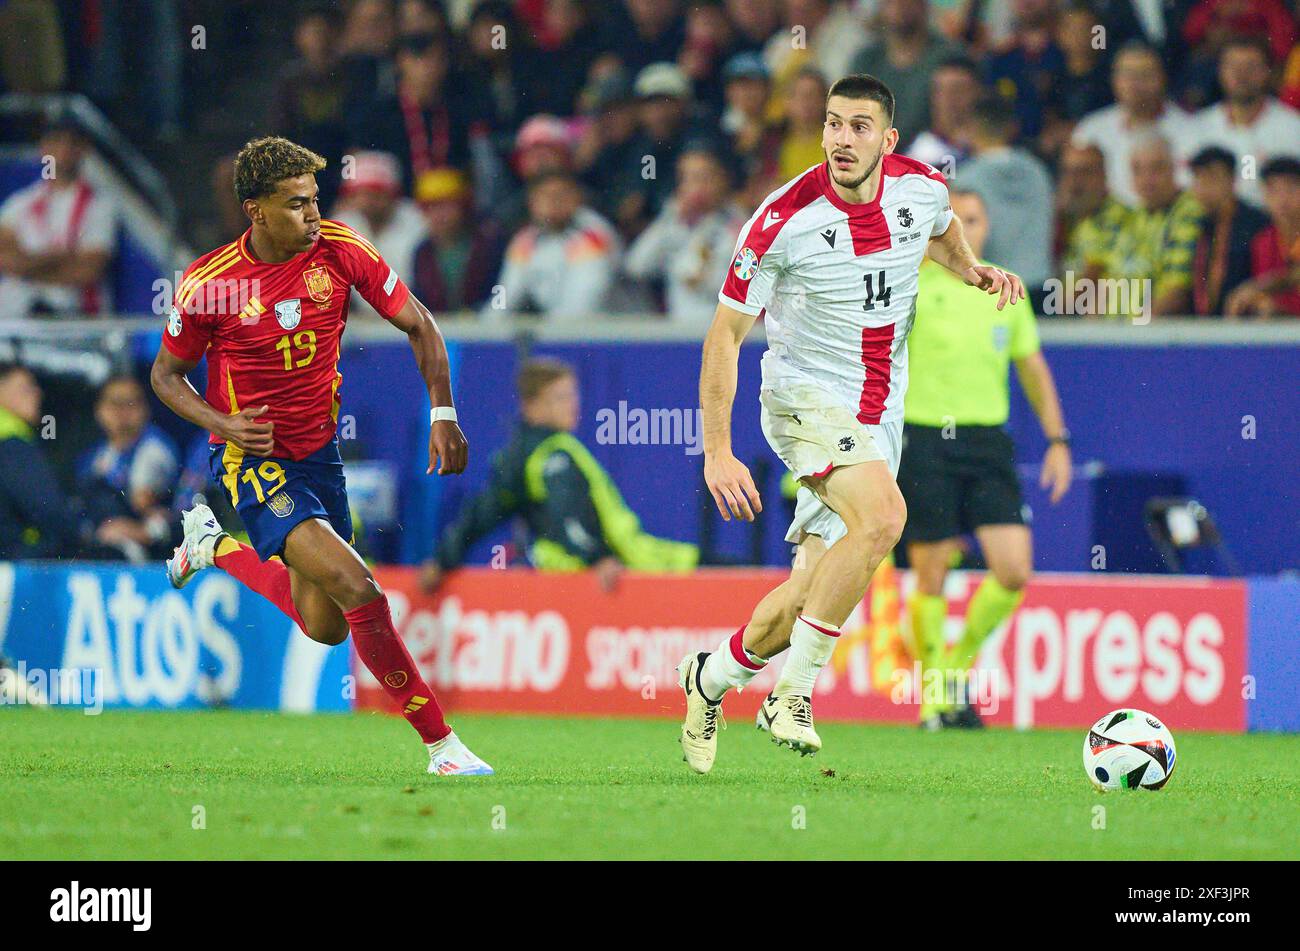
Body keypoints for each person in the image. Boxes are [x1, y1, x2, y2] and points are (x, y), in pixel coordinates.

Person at [684, 73, 1024, 773]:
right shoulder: (780, 220)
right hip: (802, 397)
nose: (841, 138)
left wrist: (970, 267)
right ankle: (794, 693)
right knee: (885, 517)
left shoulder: (923, 187)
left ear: (887, 139)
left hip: (879, 415)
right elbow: (723, 337)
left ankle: (709, 678)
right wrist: (716, 449)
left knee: (806, 593)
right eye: (833, 124)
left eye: (859, 126)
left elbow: (942, 228)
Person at [150, 137, 491, 776]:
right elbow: (166, 376)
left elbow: (419, 323)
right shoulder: (211, 284)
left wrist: (443, 413)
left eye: (314, 201)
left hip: (321, 455)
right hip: (255, 462)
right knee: (360, 587)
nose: (312, 216)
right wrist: (223, 423)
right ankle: (442, 746)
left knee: (327, 627)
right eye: (296, 205)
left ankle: (213, 548)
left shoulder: (338, 250)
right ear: (255, 211)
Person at [900, 189, 1071, 729]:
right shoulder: (908, 286)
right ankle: (934, 699)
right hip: (924, 439)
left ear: (986, 225)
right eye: (954, 220)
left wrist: (1057, 440)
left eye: (973, 219)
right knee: (931, 570)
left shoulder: (1005, 287)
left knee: (1014, 570)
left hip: (987, 443)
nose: (964, 229)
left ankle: (952, 671)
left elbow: (1032, 366)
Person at [420, 358, 700, 594]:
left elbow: (481, 514)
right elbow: (567, 513)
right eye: (560, 397)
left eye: (573, 394)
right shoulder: (553, 455)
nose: (573, 404)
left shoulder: (519, 456)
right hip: (628, 569)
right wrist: (598, 559)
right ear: (532, 406)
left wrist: (443, 560)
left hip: (611, 566)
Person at [0, 117, 116, 318]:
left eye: (72, 143)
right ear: (43, 148)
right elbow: (6, 260)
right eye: (56, 141)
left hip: (72, 319)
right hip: (16, 317)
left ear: (83, 150)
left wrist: (27, 265)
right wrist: (60, 257)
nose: (63, 150)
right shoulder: (19, 203)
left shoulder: (100, 206)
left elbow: (87, 270)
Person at [624, 144, 745, 328]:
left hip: (725, 334)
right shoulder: (673, 222)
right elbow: (637, 266)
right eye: (688, 178)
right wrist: (669, 217)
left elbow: (742, 287)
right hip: (678, 332)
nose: (697, 187)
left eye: (705, 177)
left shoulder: (740, 225)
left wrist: (699, 277)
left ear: (723, 180)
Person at [954, 91, 1054, 297]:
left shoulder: (965, 180)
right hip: (1040, 286)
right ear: (1011, 127)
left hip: (995, 286)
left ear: (971, 127)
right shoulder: (1039, 172)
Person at [1070, 41, 1192, 206]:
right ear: (1114, 79)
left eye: (1145, 75)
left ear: (1162, 78)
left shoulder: (1190, 128)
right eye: (1128, 75)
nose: (1135, 84)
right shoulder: (1091, 130)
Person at [487, 170, 620, 319]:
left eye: (561, 195)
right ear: (532, 202)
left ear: (577, 198)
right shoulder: (525, 240)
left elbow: (583, 303)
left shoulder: (593, 235)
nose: (552, 202)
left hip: (616, 332)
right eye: (544, 196)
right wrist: (486, 327)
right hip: (558, 329)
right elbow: (506, 294)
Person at [1186, 36, 1300, 209]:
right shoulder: (1198, 128)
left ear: (1267, 71)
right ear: (1220, 71)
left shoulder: (1293, 127)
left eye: (1251, 67)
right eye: (1233, 66)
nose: (1241, 74)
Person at [76, 375, 181, 562]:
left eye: (131, 403)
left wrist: (132, 530)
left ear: (145, 410)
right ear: (99, 410)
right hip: (103, 539)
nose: (122, 412)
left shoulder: (155, 449)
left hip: (154, 548)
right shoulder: (93, 455)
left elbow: (142, 501)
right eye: (115, 403)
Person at [0, 362, 75, 559]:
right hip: (15, 565)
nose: (37, 393)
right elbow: (48, 509)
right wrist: (81, 532)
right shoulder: (12, 444)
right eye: (26, 388)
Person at [1187, 146, 1269, 316]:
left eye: (1212, 179)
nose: (1204, 188)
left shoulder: (1257, 223)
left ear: (1232, 179)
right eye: (1199, 179)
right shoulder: (1199, 225)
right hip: (1205, 326)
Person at [330, 150, 427, 290]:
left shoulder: (417, 220)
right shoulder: (341, 226)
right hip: (357, 311)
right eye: (360, 193)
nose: (367, 201)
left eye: (376, 193)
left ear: (393, 193)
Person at [1225, 157, 1300, 318]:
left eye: (1291, 188)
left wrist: (1259, 288)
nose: (1283, 199)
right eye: (1274, 190)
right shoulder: (1262, 241)